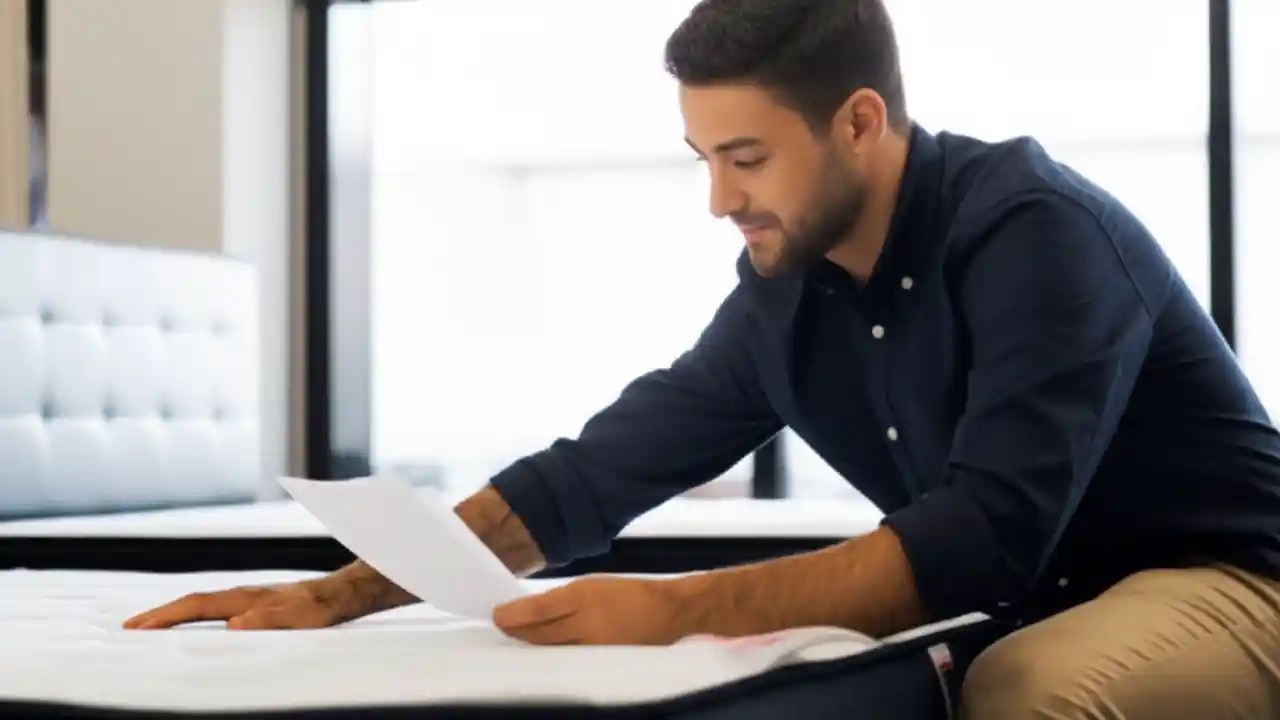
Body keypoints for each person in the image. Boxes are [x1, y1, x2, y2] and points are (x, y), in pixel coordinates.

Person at [125, 1, 1280, 717]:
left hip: (1232, 581)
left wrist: (673, 611)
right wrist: (342, 594)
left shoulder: (1032, 231)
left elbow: (984, 539)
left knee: (1027, 689)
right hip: (1057, 593)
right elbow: (595, 475)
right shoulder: (788, 291)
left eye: (744, 158)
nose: (719, 198)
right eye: (700, 158)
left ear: (859, 122)